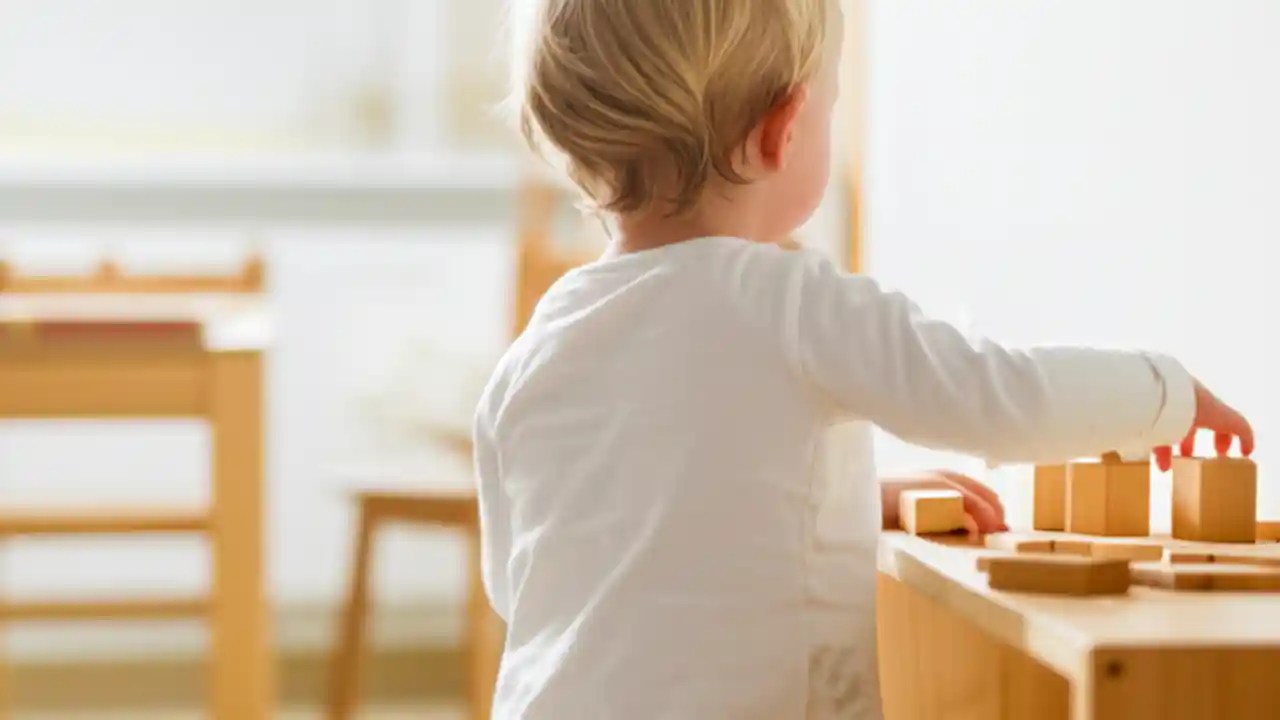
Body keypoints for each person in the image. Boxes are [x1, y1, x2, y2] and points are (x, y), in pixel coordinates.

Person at [474, 1, 1254, 717]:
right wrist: (1163, 393)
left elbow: (532, 581)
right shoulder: (792, 302)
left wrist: (829, 496)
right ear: (784, 129)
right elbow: (993, 395)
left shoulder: (535, 353)